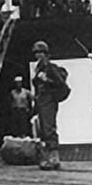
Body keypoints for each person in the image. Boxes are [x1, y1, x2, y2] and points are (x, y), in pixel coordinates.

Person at [31, 40, 66, 170]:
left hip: (49, 101)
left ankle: (54, 158)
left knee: (49, 128)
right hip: (41, 101)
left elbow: (60, 83)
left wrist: (47, 79)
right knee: (43, 130)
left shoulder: (50, 68)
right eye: (36, 53)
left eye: (40, 53)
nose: (37, 55)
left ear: (46, 54)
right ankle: (48, 157)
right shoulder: (39, 68)